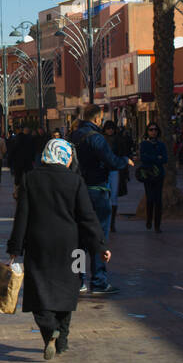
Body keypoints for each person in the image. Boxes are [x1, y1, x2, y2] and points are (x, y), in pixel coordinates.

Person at [6, 138, 105, 360]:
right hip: (72, 247)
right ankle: (62, 342)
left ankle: (51, 330)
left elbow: (21, 217)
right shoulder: (76, 181)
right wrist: (100, 246)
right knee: (69, 290)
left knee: (38, 291)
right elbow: (87, 217)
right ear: (64, 156)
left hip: (38, 244)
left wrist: (15, 248)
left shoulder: (30, 179)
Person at [70, 103, 133, 295]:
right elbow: (111, 161)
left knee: (78, 238)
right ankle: (98, 281)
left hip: (77, 191)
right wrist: (125, 161)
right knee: (98, 236)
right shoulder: (96, 138)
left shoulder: (74, 136)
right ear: (97, 118)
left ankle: (77, 280)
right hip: (96, 190)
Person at [137, 122, 169, 233]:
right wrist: (156, 157)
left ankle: (157, 225)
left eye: (155, 129)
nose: (153, 131)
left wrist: (152, 158)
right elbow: (143, 158)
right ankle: (149, 219)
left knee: (158, 200)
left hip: (159, 175)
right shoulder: (144, 144)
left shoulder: (161, 145)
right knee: (150, 198)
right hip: (148, 175)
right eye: (151, 129)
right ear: (148, 131)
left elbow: (165, 159)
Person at [102, 120, 122, 231]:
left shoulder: (118, 140)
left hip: (114, 170)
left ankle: (112, 223)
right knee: (105, 196)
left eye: (111, 128)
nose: (110, 130)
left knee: (113, 196)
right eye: (108, 128)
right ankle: (107, 221)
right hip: (104, 171)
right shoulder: (101, 140)